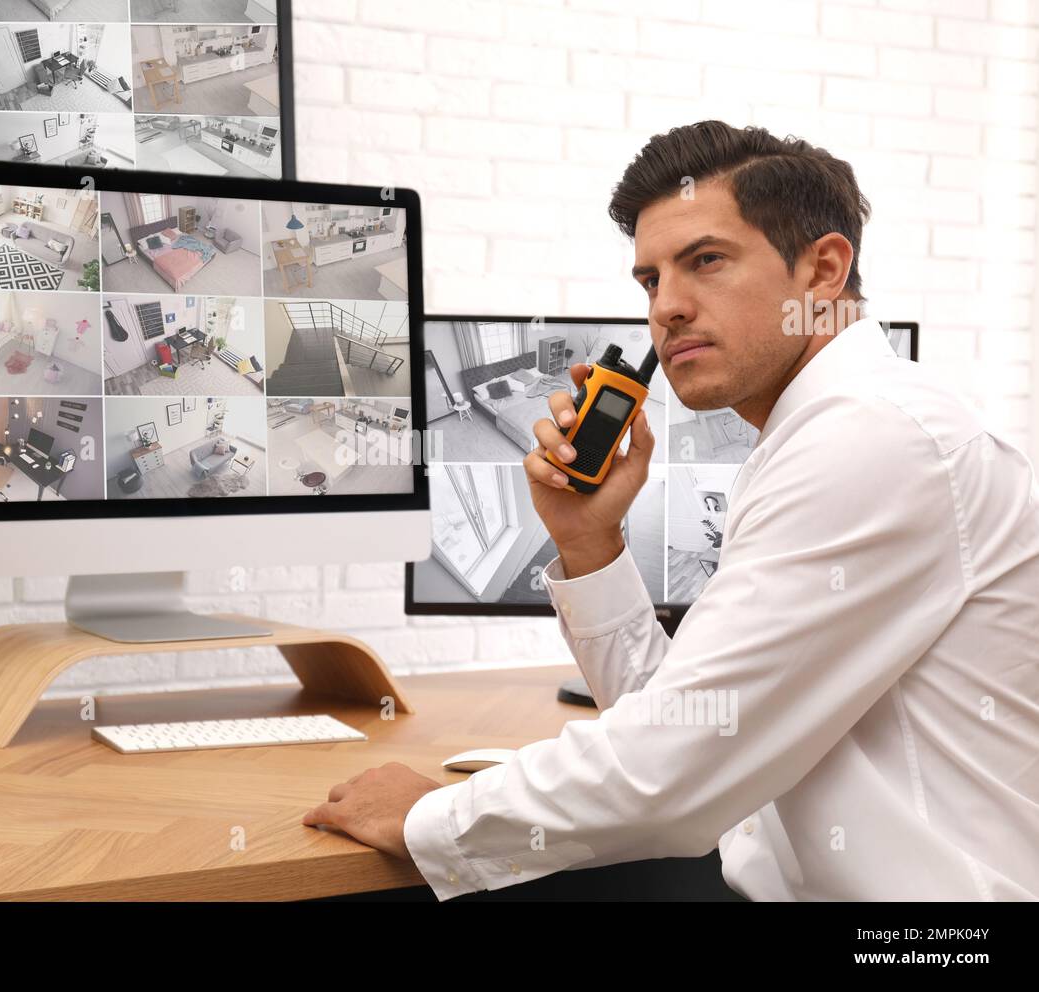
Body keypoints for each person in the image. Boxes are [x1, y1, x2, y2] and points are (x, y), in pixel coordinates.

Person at [303, 121, 1039, 901]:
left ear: (823, 270)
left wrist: (433, 816)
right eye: (651, 281)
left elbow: (671, 771)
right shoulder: (822, 433)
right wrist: (590, 543)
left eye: (706, 262)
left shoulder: (872, 438)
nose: (667, 308)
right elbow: (688, 726)